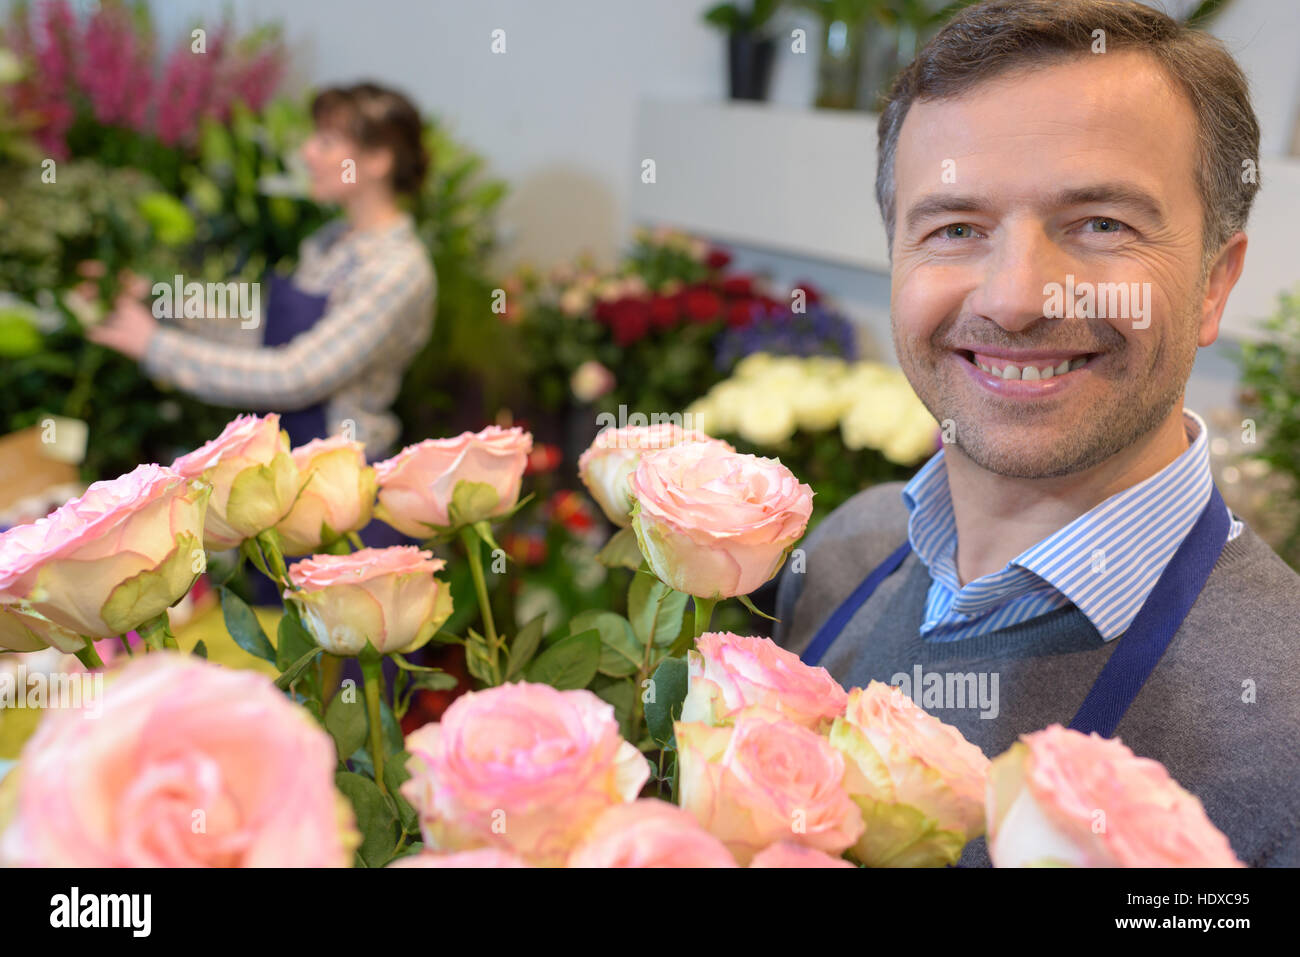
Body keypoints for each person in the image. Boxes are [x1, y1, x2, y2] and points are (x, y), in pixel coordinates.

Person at [773, 0, 1300, 867]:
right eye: (956, 229)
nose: (1016, 298)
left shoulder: (1280, 724)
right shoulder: (847, 549)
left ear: (1214, 282)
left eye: (1101, 225)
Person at [90, 81, 435, 462]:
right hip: (280, 462)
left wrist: (155, 346)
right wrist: (158, 301)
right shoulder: (330, 241)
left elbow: (294, 375)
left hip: (335, 481)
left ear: (377, 160)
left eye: (326, 142)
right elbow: (261, 333)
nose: (306, 152)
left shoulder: (397, 269)